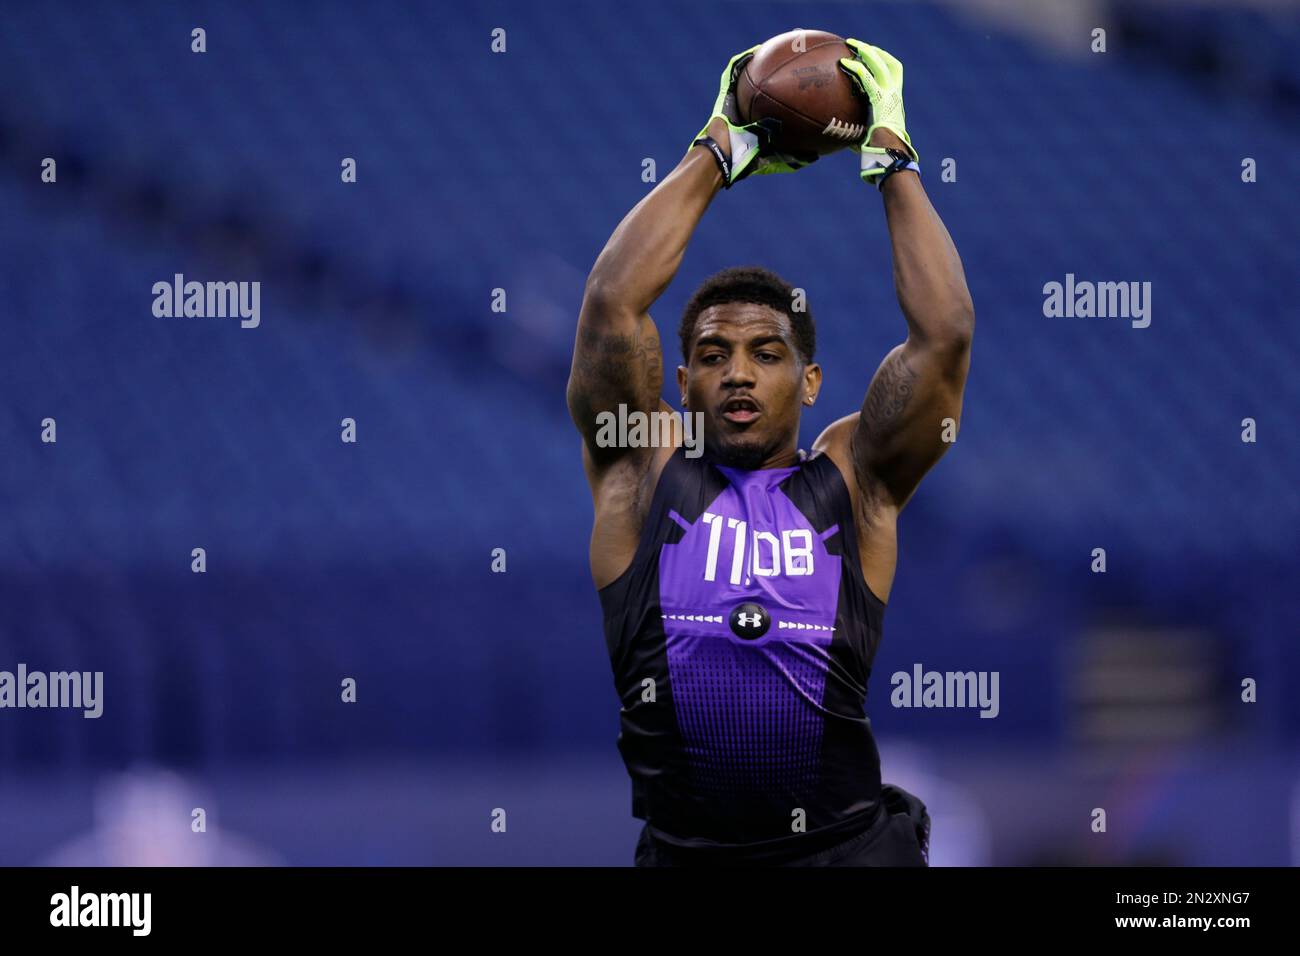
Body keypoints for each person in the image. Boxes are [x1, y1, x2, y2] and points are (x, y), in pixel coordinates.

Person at [566, 38, 973, 866]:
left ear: (813, 380)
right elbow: (612, 302)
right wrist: (718, 148)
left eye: (767, 352)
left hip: (848, 853)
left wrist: (891, 157)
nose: (739, 373)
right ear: (682, 382)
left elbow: (944, 335)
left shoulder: (857, 487)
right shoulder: (639, 477)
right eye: (713, 356)